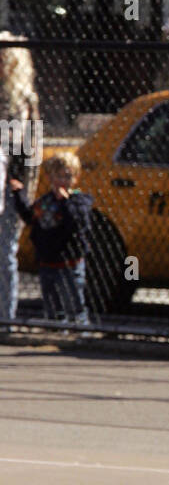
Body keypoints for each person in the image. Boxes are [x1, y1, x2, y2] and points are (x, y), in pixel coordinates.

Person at [10, 151, 93, 326]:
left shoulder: (79, 200)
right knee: (52, 303)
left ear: (76, 178)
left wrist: (66, 203)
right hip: (48, 261)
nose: (63, 181)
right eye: (58, 176)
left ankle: (79, 329)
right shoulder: (45, 202)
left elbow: (79, 223)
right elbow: (30, 217)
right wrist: (19, 194)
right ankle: (55, 328)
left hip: (70, 262)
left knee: (74, 302)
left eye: (68, 176)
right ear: (49, 177)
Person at [0, 33, 40, 323]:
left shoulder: (22, 102)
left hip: (8, 186)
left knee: (4, 254)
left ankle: (5, 318)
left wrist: (21, 184)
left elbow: (29, 146)